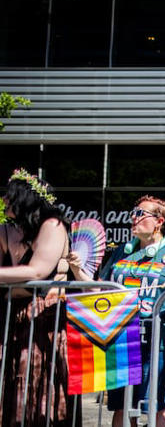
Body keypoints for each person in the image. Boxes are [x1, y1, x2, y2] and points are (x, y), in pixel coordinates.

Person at [84, 195, 165, 427]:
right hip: (120, 337)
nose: (134, 217)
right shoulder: (122, 251)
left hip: (160, 338)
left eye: (140, 214)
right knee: (121, 405)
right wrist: (77, 269)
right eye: (133, 212)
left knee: (156, 403)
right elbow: (99, 287)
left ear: (159, 222)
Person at [0, 168, 79, 426]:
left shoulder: (52, 225)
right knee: (11, 380)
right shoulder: (7, 230)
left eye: (9, 196)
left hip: (44, 313)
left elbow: (37, 270)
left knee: (38, 379)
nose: (4, 201)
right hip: (13, 313)